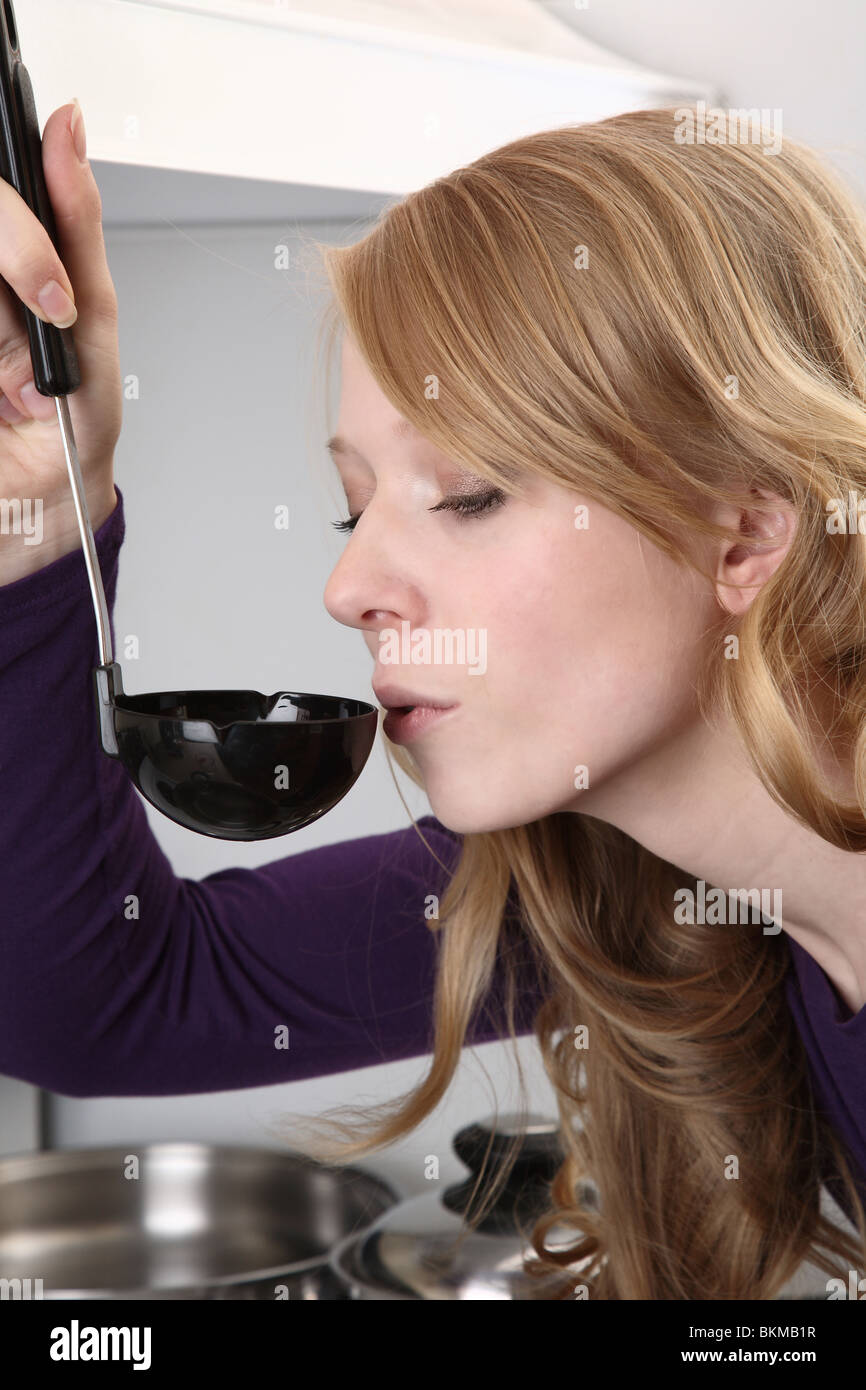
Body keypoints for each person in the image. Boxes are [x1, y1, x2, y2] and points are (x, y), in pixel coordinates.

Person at [1, 99, 865, 1300]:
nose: (347, 587)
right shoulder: (624, 873)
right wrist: (42, 523)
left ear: (744, 536)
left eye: (463, 495)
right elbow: (103, 1001)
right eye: (355, 508)